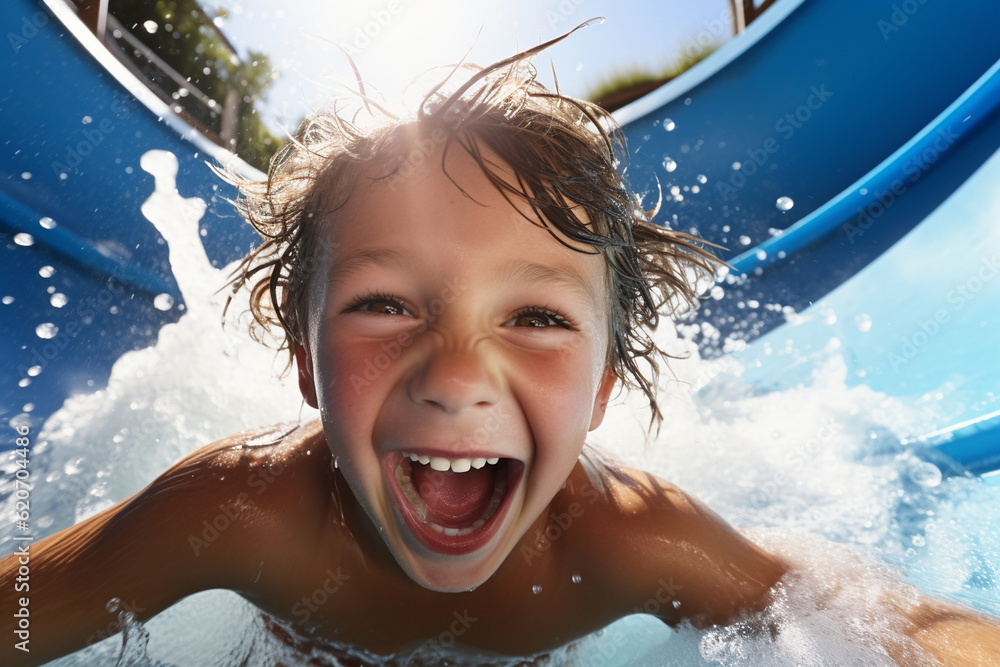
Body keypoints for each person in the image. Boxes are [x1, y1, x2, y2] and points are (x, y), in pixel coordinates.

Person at [3, 30, 1000, 666]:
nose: (454, 376)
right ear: (304, 362)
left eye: (534, 318)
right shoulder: (237, 509)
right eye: (386, 304)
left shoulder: (623, 540)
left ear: (604, 389)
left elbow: (884, 624)